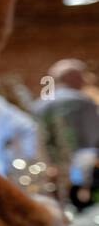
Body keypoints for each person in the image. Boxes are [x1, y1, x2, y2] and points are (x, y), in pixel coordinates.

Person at [33, 59, 99, 206]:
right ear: (72, 77)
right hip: (84, 169)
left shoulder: (40, 104)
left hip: (50, 169)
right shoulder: (83, 101)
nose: (84, 80)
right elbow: (94, 135)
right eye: (81, 76)